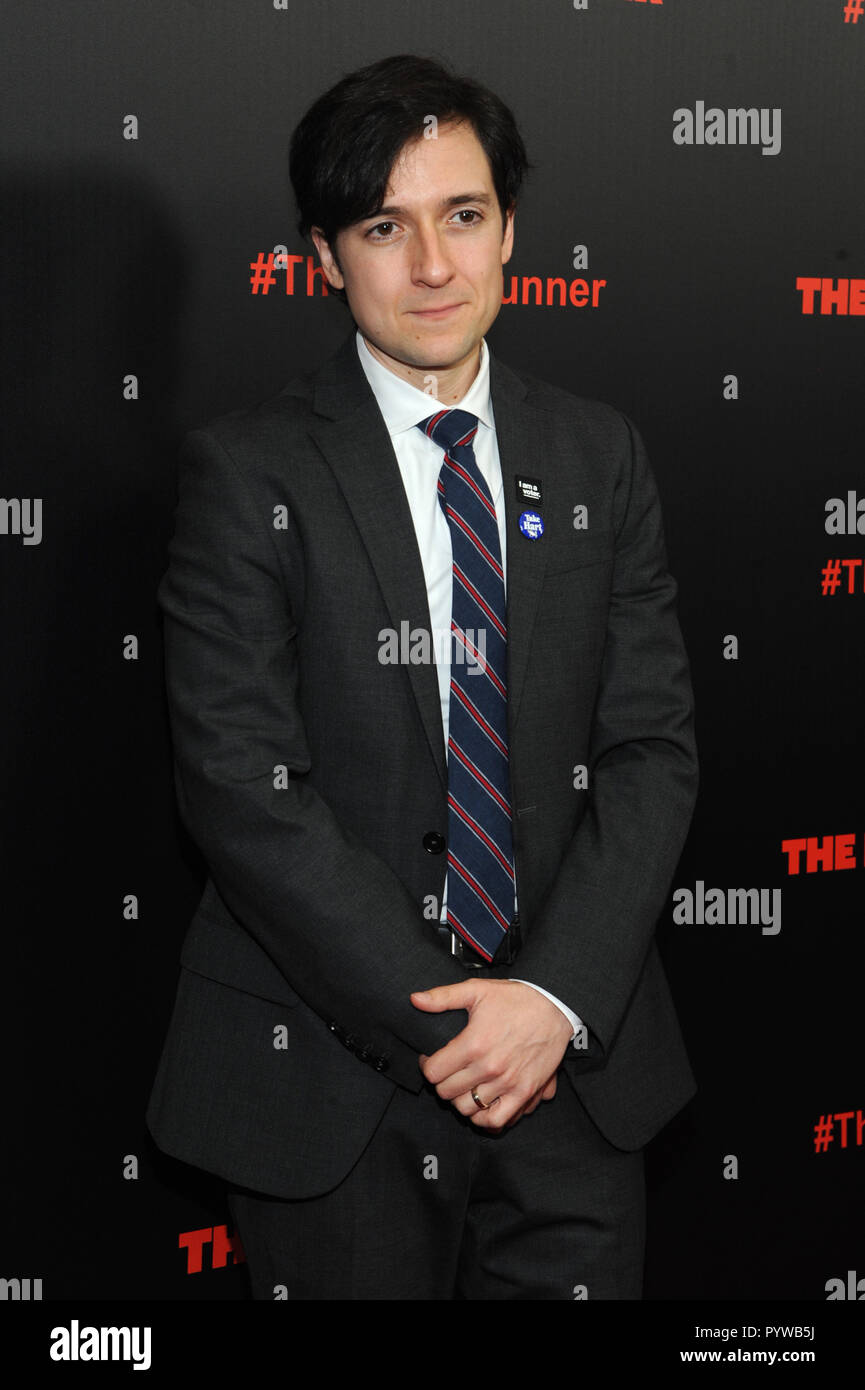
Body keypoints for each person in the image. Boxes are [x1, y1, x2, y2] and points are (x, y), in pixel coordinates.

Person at [147, 53, 698, 1301]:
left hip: (575, 1081)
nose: (434, 266)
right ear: (325, 254)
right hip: (333, 1080)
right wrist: (460, 1026)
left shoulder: (599, 455)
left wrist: (548, 1001)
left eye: (462, 216)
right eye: (383, 227)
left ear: (510, 229)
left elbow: (650, 751)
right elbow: (242, 787)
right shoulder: (249, 476)